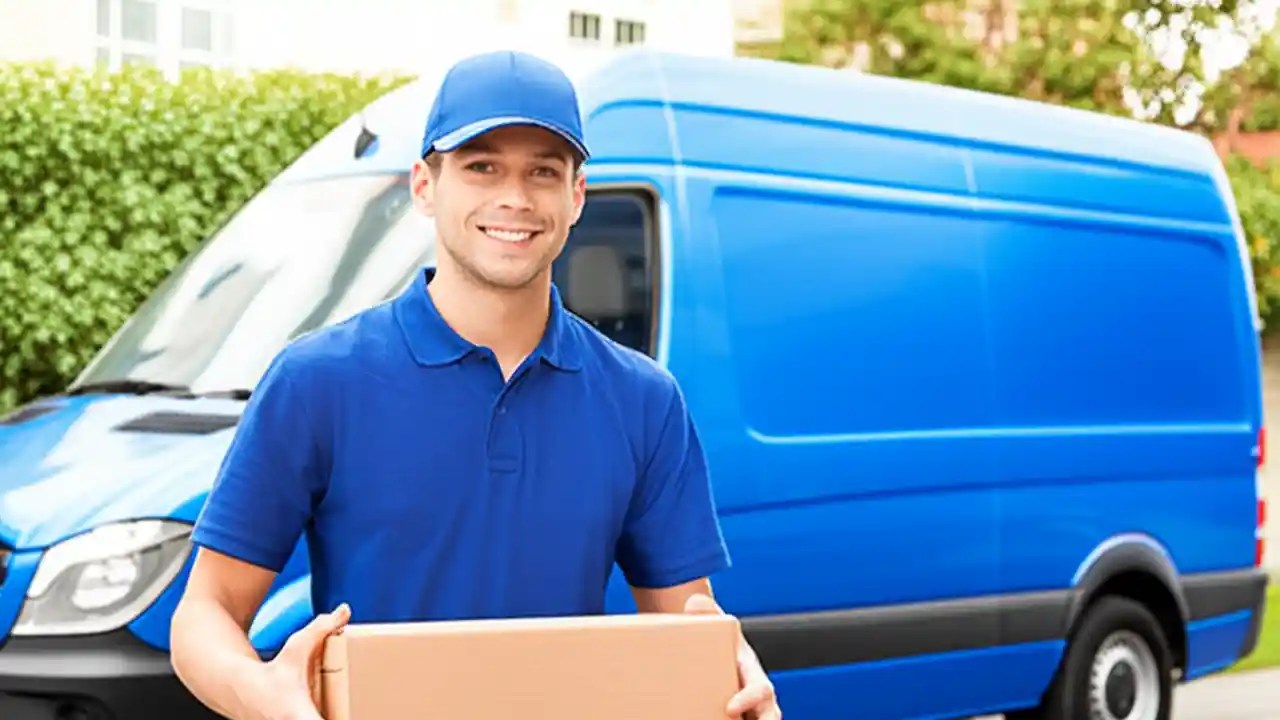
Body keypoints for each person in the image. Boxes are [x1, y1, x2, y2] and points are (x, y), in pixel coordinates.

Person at [169, 49, 781, 720]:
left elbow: (686, 622)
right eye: (481, 166)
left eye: (543, 172)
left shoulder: (642, 400)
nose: (514, 198)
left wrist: (731, 670)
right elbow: (205, 616)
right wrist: (263, 696)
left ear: (576, 197)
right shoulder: (318, 381)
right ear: (425, 186)